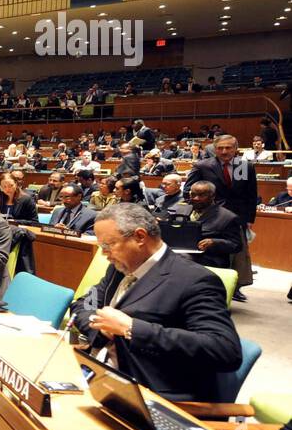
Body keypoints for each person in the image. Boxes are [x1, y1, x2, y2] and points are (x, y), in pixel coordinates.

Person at [73, 204, 241, 402]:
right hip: (98, 374)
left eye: (109, 246)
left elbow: (224, 349)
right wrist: (99, 326)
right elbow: (84, 302)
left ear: (140, 237)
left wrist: (131, 329)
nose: (104, 254)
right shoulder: (119, 268)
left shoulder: (194, 280)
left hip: (147, 394)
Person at [185, 134, 258, 301]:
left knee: (238, 254)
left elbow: (250, 194)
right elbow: (189, 190)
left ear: (235, 149)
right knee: (211, 250)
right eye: (220, 148)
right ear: (214, 149)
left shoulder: (244, 166)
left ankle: (235, 286)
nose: (224, 151)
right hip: (210, 216)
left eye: (228, 148)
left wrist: (249, 219)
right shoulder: (203, 166)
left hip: (237, 217)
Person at [184, 181, 243, 270]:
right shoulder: (182, 210)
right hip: (182, 252)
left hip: (211, 259)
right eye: (193, 195)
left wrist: (214, 242)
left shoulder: (227, 217)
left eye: (201, 195)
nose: (196, 198)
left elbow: (236, 245)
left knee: (181, 260)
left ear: (213, 196)